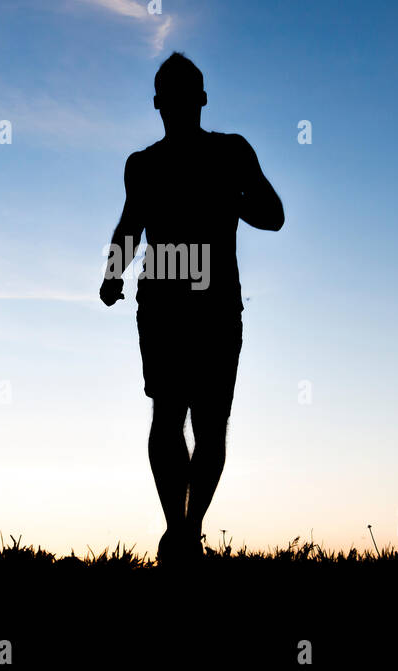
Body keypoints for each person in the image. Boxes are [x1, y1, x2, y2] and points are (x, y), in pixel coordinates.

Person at [99, 53, 284, 564]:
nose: (179, 104)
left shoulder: (232, 152)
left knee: (207, 423)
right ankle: (179, 528)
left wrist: (233, 199)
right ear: (159, 103)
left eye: (187, 93)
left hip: (216, 305)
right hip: (162, 304)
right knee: (168, 416)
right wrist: (113, 274)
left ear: (201, 99)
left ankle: (189, 529)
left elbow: (274, 215)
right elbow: (129, 226)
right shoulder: (143, 164)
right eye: (171, 95)